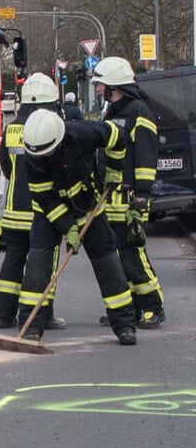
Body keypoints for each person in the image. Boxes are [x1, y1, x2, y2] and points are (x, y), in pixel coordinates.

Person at [17, 108, 137, 345]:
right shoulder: (33, 158)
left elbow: (118, 135)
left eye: (47, 153)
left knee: (107, 262)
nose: (42, 158)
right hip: (50, 212)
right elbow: (44, 198)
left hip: (89, 206)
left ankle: (125, 325)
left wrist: (114, 169)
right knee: (38, 264)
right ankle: (30, 327)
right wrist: (68, 227)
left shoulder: (83, 133)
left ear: (58, 141)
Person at [92, 56, 165, 328]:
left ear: (114, 84)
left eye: (101, 84)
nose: (98, 89)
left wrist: (142, 196)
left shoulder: (139, 112)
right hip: (110, 200)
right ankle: (128, 309)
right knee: (117, 260)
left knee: (133, 256)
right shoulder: (112, 113)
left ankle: (153, 306)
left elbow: (145, 157)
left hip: (131, 199)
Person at [0, 73, 66, 331]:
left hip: (13, 211)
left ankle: (3, 314)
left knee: (12, 262)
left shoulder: (11, 129)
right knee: (42, 265)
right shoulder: (51, 128)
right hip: (41, 212)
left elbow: (6, 167)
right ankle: (42, 314)